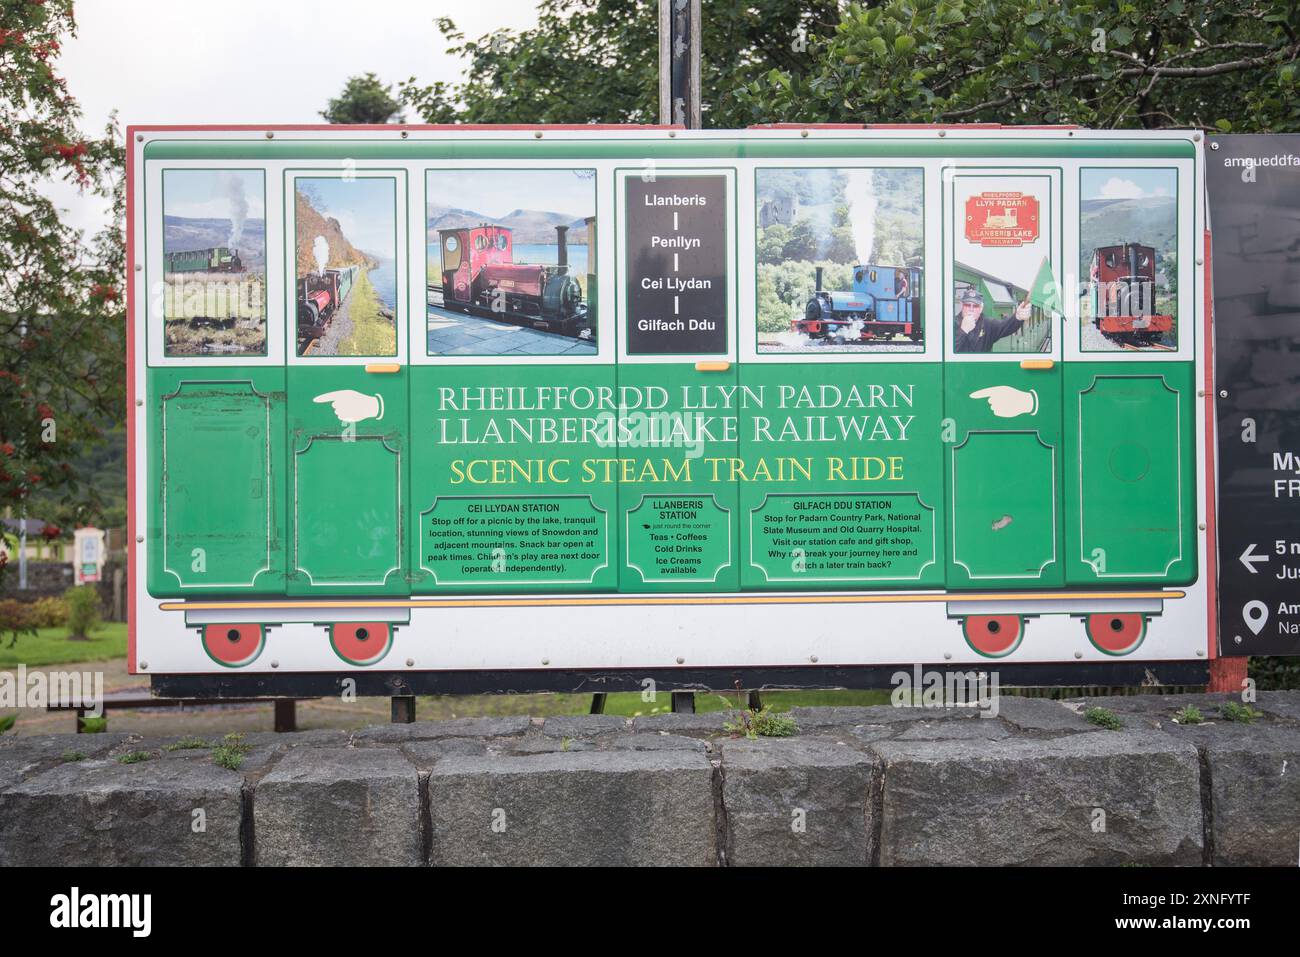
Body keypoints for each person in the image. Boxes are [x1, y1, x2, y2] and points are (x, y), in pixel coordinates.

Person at [953, 285, 1032, 353]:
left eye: (975, 306)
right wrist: (963, 331)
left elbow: (1006, 326)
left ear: (981, 308)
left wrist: (1018, 317)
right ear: (962, 305)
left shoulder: (988, 324)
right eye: (967, 305)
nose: (971, 309)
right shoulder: (951, 324)